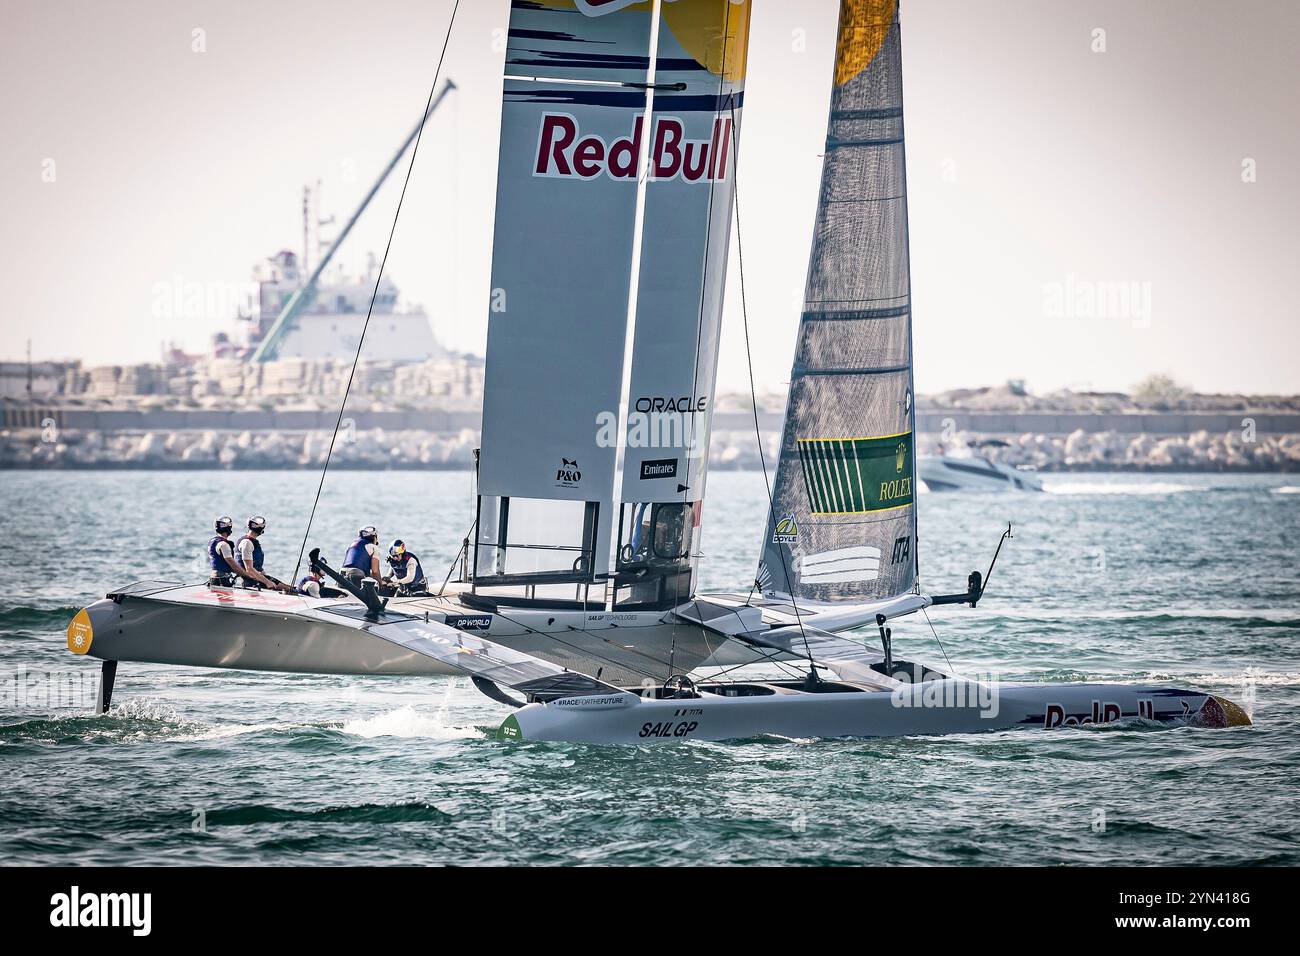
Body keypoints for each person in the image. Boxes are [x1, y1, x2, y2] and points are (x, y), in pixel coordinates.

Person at [234, 516, 294, 592]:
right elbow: (249, 569)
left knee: (289, 588)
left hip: (258, 577)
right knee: (290, 591)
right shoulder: (247, 543)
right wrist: (267, 582)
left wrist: (269, 579)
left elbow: (258, 568)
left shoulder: (252, 542)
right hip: (251, 581)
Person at [207, 516, 239, 588]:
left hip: (214, 578)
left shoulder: (212, 541)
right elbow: (234, 567)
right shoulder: (224, 544)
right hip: (221, 580)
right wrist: (247, 576)